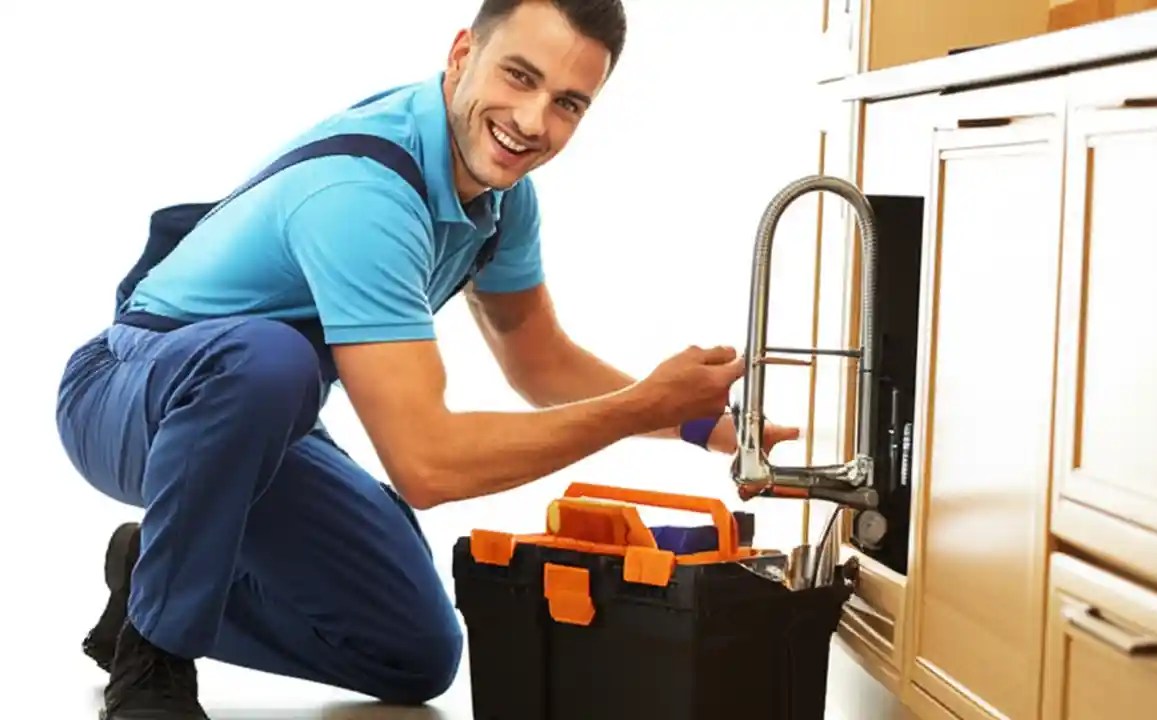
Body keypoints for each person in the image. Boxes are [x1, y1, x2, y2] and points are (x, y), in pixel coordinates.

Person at [55, 1, 799, 718]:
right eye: (520, 76)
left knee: (412, 652)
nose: (533, 122)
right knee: (270, 361)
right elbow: (427, 465)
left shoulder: (503, 201)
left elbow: (539, 362)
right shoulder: (366, 194)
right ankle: (153, 659)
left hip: (258, 423)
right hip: (129, 392)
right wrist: (640, 406)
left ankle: (150, 574)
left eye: (570, 103)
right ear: (462, 54)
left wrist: (705, 424)